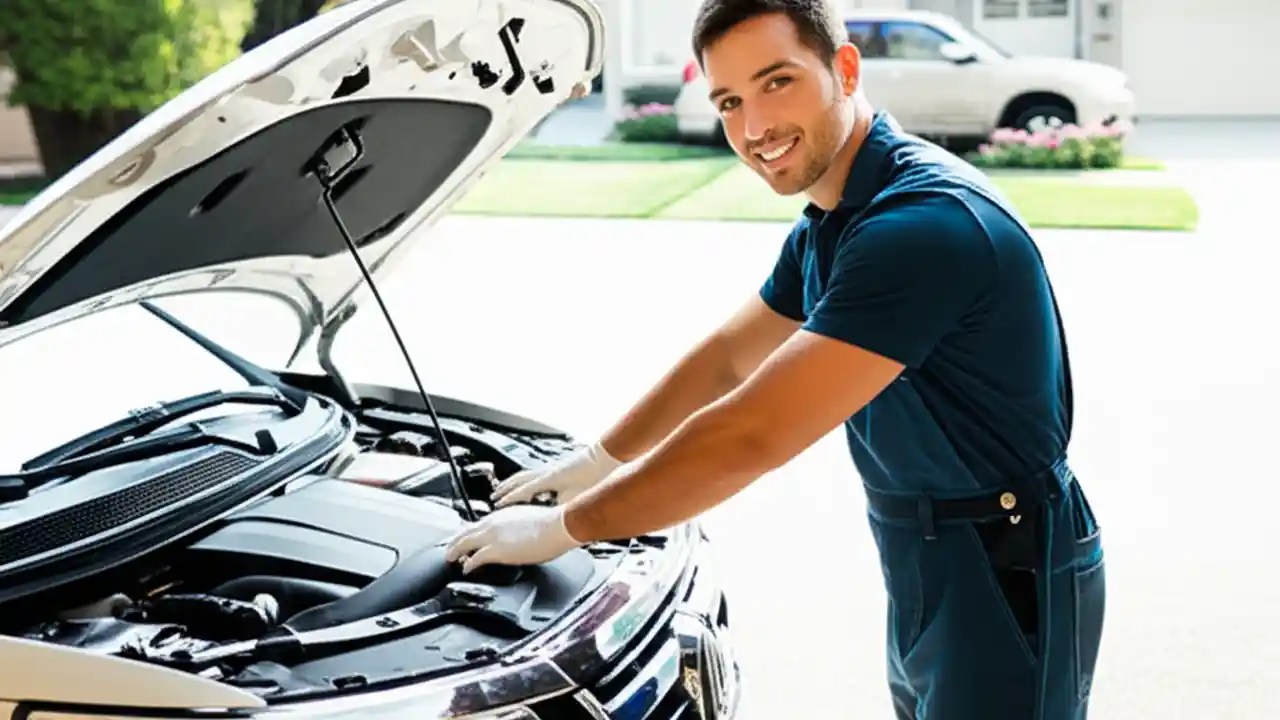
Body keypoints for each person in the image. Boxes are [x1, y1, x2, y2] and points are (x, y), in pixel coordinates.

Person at [445, 1, 1106, 718]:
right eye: (730, 100)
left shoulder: (920, 229)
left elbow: (751, 433)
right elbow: (729, 359)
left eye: (777, 82)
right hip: (928, 552)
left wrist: (562, 530)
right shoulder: (840, 213)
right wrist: (597, 460)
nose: (754, 127)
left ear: (843, 69)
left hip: (1004, 565)